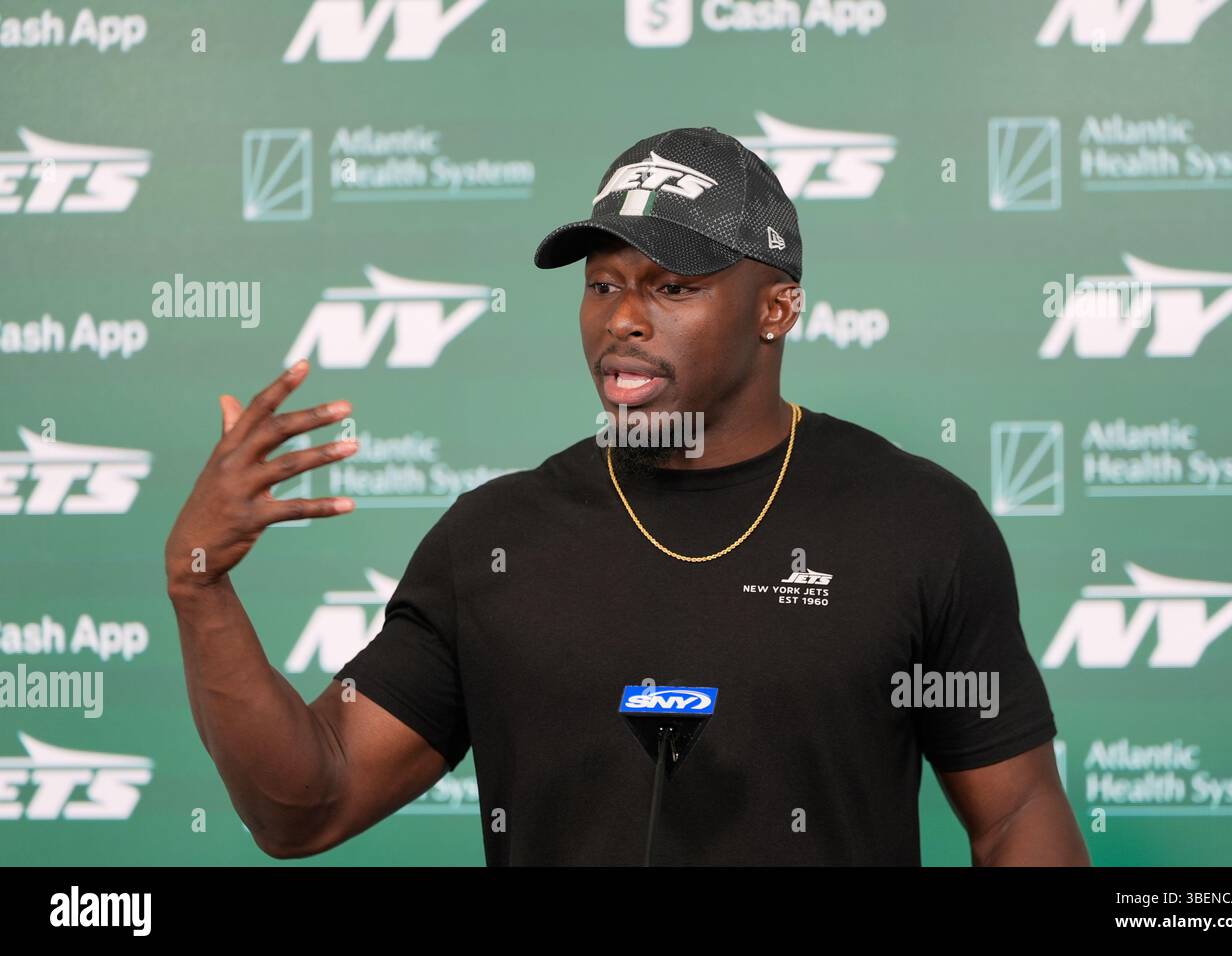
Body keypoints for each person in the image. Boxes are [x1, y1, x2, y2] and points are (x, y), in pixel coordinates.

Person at [165, 126, 1089, 866]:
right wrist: (200, 587)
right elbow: (306, 808)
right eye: (602, 284)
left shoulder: (917, 523)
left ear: (776, 309)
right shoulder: (496, 542)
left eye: (671, 287)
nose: (622, 318)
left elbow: (1015, 821)